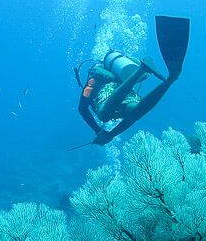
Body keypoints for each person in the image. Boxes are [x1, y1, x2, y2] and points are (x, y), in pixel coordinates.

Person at [74, 15, 190, 147]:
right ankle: (171, 78)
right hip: (124, 89)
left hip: (112, 92)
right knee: (134, 111)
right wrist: (111, 134)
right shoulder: (111, 75)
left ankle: (144, 71)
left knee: (104, 114)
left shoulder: (93, 80)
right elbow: (131, 119)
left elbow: (82, 108)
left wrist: (98, 131)